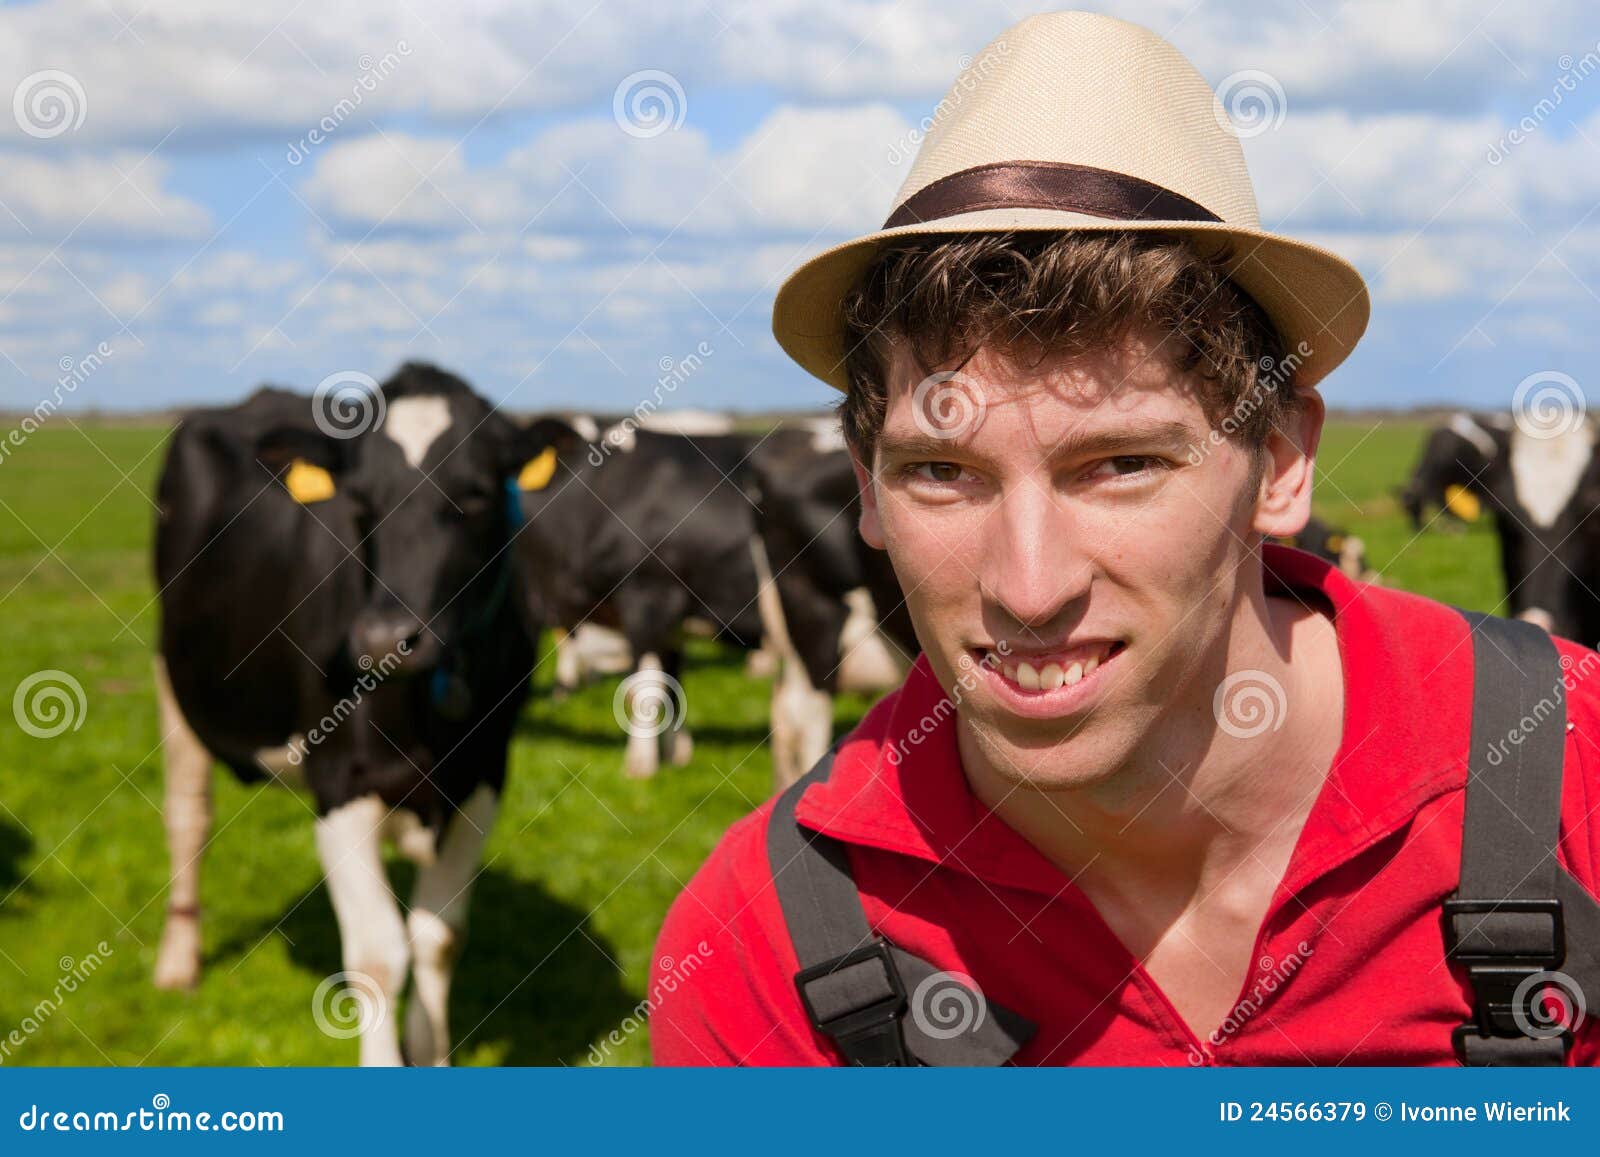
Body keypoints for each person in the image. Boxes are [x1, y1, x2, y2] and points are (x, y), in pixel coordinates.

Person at [648, 10, 1600, 1066]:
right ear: (864, 486)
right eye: (940, 472)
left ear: (1280, 460)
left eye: (1120, 464)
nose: (1028, 584)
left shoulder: (1574, 777)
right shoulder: (763, 948)